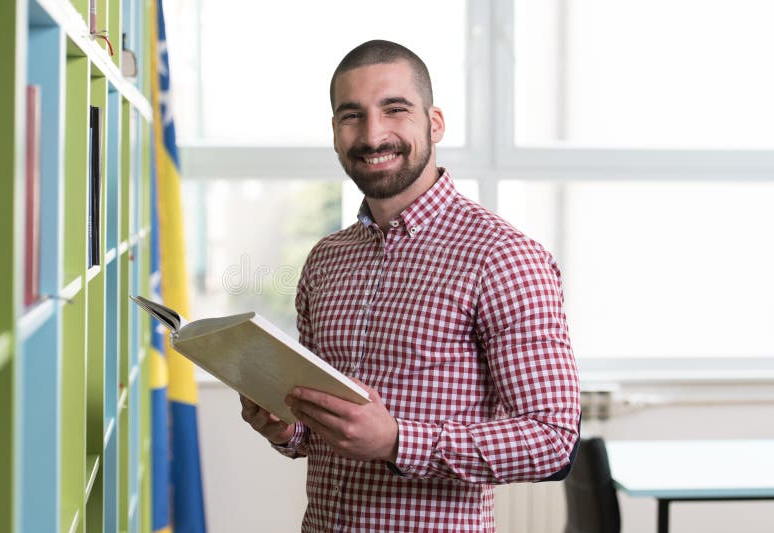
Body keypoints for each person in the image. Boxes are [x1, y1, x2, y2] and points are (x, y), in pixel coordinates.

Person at [240, 39, 580, 532]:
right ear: (335, 132)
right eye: (351, 116)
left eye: (394, 110)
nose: (373, 135)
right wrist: (284, 425)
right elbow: (315, 433)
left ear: (434, 122)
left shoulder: (502, 257)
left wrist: (399, 441)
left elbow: (552, 442)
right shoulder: (326, 260)